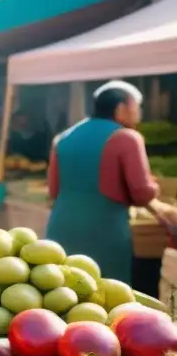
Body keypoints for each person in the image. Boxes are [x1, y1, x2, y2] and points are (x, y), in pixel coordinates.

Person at [47, 80, 177, 283]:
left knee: (64, 289)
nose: (139, 114)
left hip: (61, 227)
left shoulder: (63, 137)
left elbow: (54, 190)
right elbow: (141, 193)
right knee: (106, 295)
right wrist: (155, 187)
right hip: (104, 231)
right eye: (137, 107)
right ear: (121, 107)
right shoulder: (126, 137)